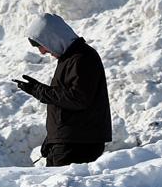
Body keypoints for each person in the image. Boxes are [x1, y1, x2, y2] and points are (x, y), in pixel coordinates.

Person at [11, 13, 112, 166]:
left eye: (41, 45)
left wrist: (39, 91)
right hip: (68, 142)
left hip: (78, 145)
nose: (42, 52)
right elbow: (64, 105)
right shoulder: (70, 59)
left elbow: (78, 98)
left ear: (53, 38)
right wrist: (52, 139)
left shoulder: (82, 58)